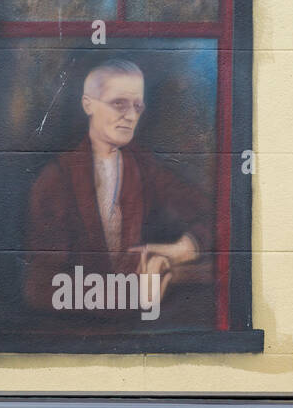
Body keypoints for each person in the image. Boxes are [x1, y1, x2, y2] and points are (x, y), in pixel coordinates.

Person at [21, 58, 213, 320]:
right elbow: (40, 287)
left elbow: (218, 215)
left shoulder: (144, 167)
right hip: (74, 331)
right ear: (88, 104)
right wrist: (133, 294)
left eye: (137, 106)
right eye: (118, 104)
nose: (131, 116)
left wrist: (176, 251)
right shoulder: (57, 177)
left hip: (138, 330)